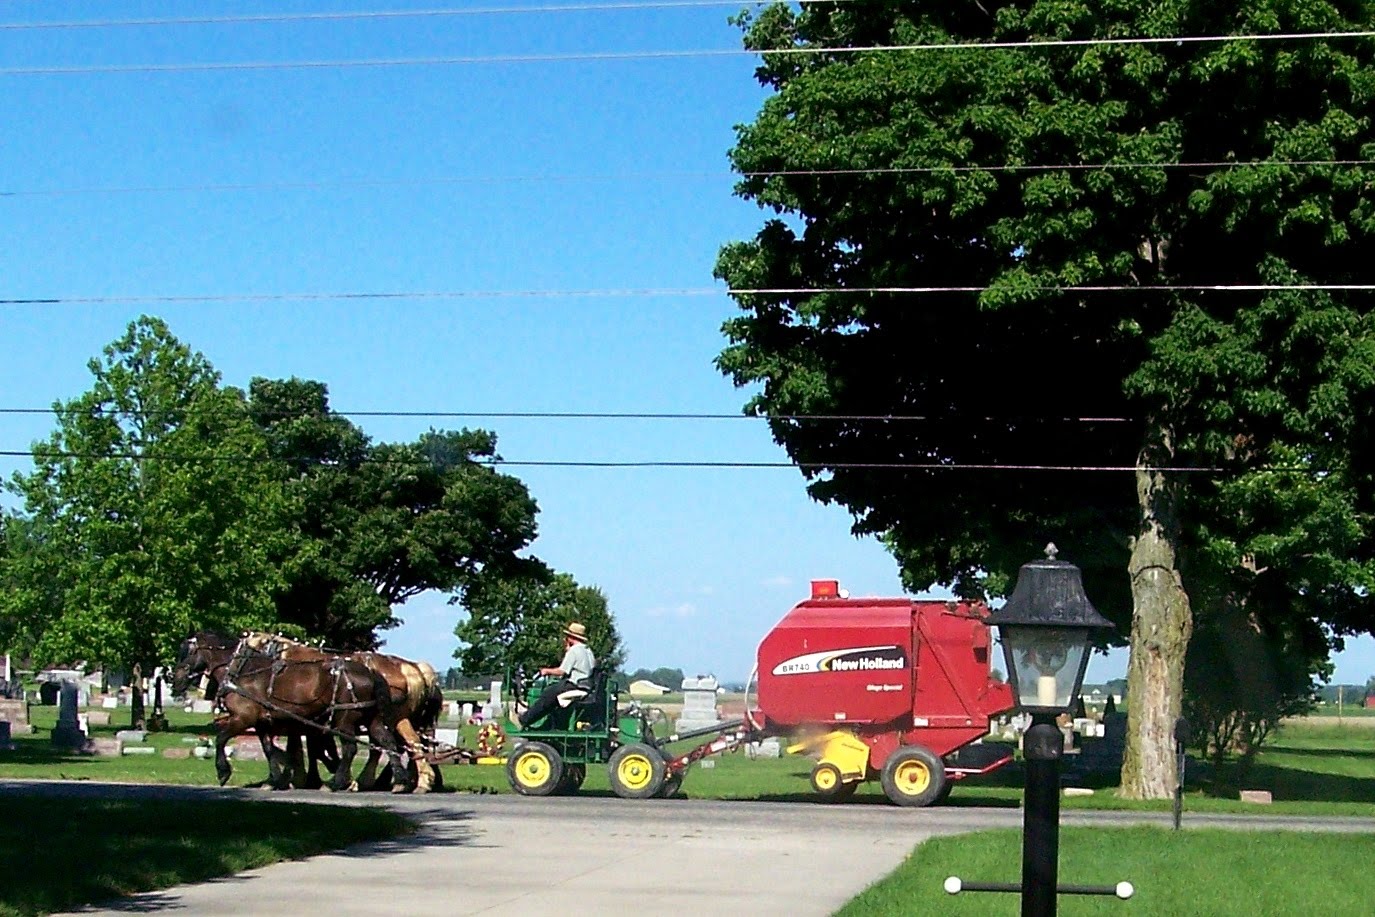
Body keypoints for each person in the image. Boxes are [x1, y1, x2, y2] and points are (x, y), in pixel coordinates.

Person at [517, 622, 596, 729]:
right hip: (587, 685)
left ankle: (525, 719)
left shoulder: (574, 651)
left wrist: (546, 671)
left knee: (548, 694)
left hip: (574, 684)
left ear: (571, 637)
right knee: (554, 696)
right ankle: (549, 724)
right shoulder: (588, 651)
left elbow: (562, 671)